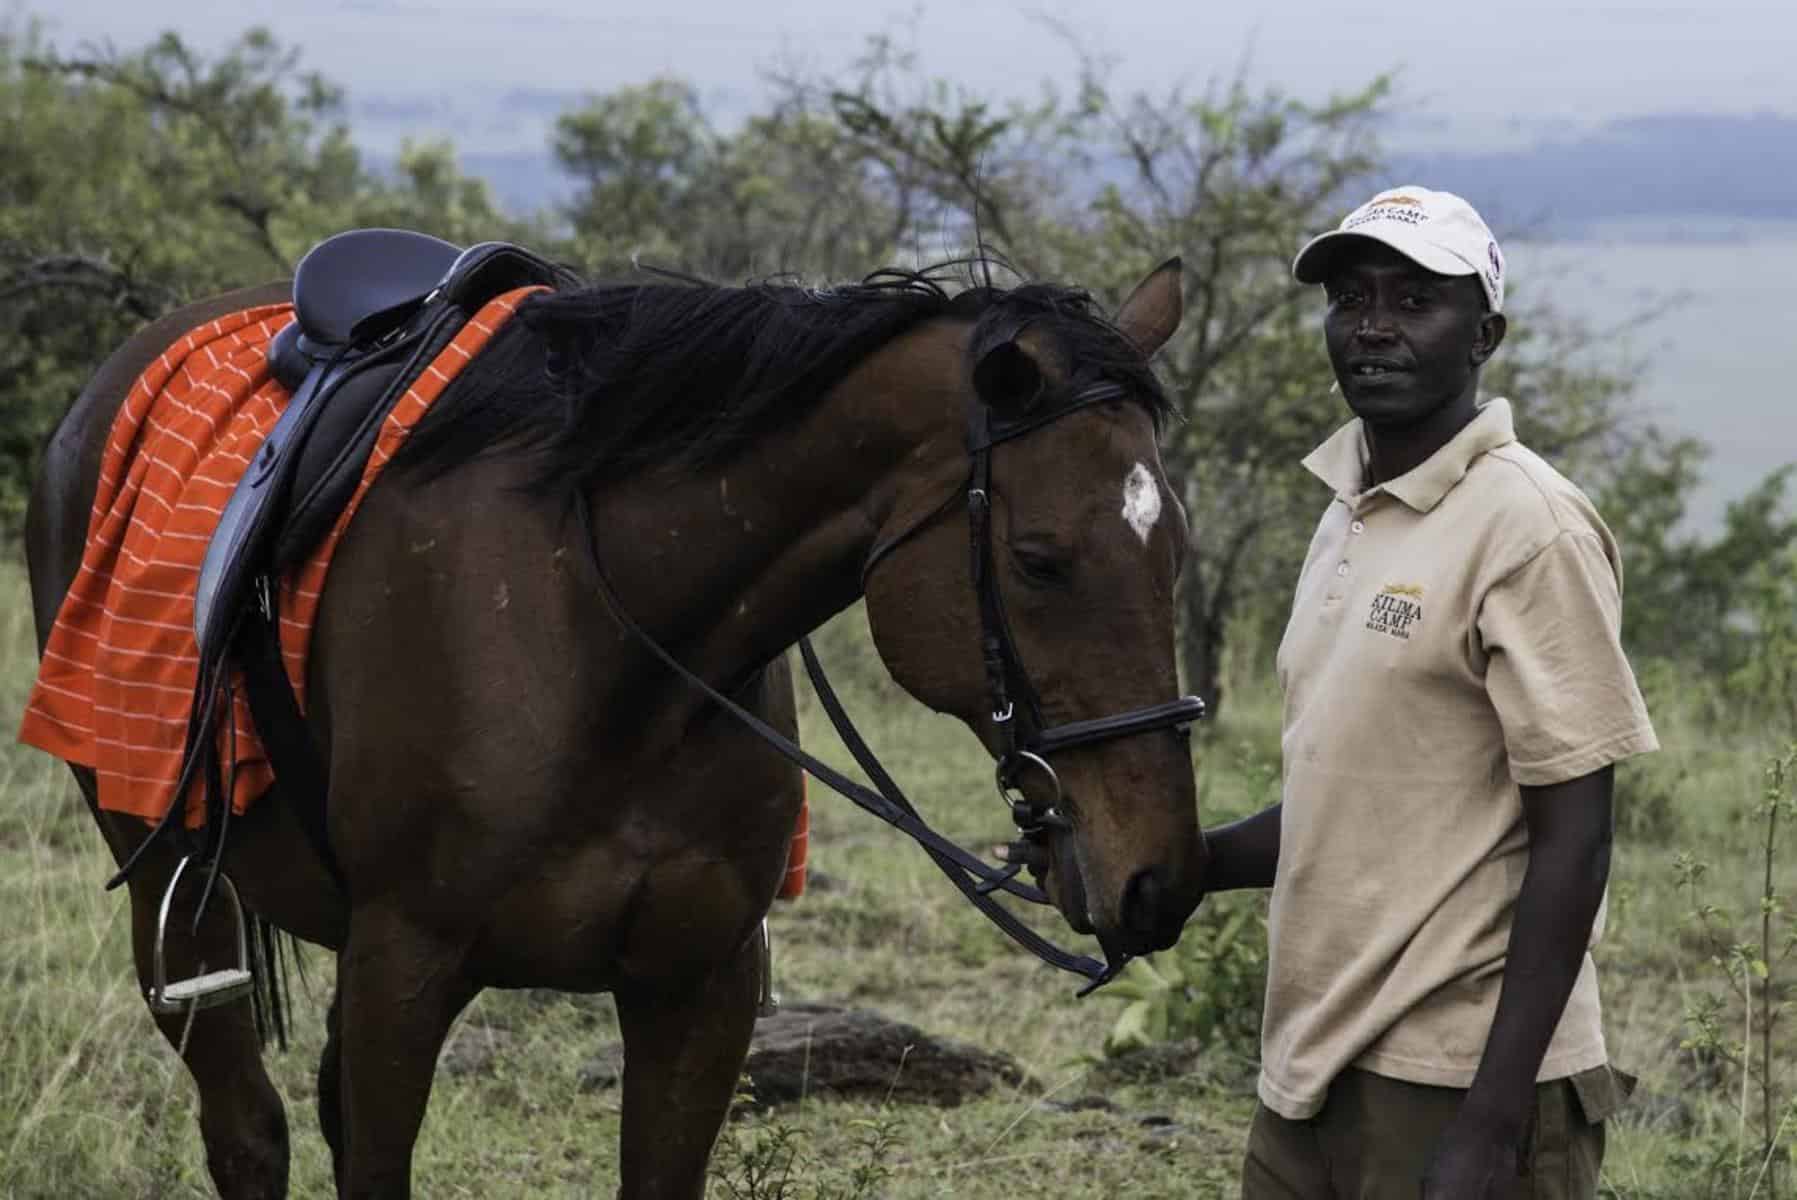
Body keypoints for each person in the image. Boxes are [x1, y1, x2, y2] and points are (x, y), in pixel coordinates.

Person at [1206, 186, 1660, 1199]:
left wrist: (1490, 1130)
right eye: (1351, 299)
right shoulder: (1349, 510)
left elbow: (1576, 839)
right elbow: (1361, 795)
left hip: (1462, 1079)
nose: (1372, 326)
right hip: (1310, 1071)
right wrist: (1188, 867)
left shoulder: (1528, 524)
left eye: (1415, 302)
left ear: (1484, 334)